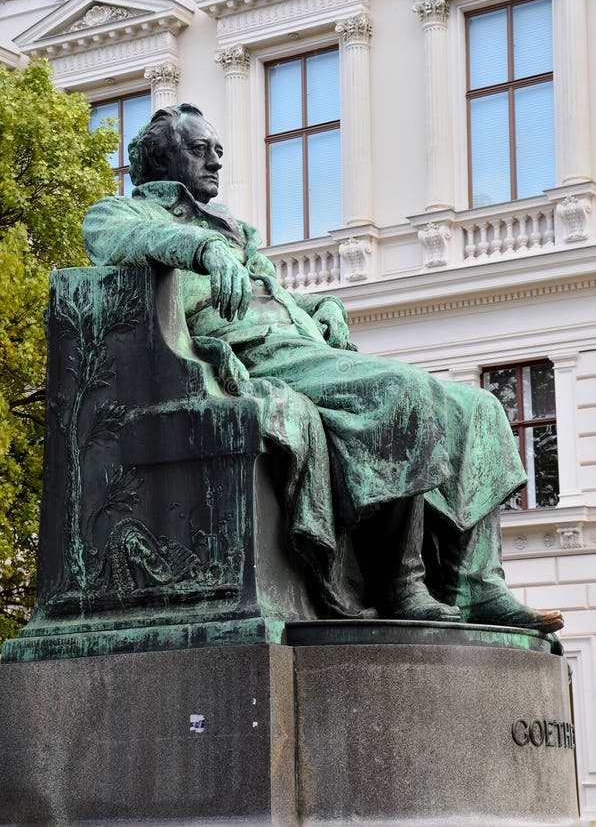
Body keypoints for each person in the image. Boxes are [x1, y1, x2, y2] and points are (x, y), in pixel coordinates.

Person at [82, 103, 563, 633]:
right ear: (160, 159)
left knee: (479, 406)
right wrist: (202, 251)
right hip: (256, 355)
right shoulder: (130, 213)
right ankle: (403, 583)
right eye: (200, 152)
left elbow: (279, 296)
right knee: (401, 395)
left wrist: (321, 306)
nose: (215, 163)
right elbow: (109, 239)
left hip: (304, 347)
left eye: (219, 153)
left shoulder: (234, 231)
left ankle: (476, 584)